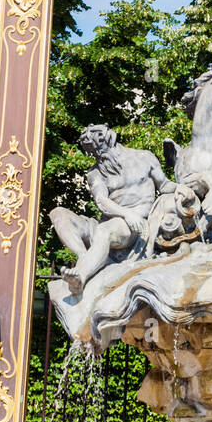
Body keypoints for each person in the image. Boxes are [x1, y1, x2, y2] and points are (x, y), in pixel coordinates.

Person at [50, 124, 167, 295]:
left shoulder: (144, 158)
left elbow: (164, 185)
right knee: (58, 213)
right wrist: (125, 213)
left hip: (133, 227)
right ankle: (85, 258)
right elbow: (101, 200)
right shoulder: (95, 173)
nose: (97, 157)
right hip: (110, 221)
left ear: (109, 140)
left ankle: (80, 278)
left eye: (99, 150)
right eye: (93, 153)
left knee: (105, 230)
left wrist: (188, 187)